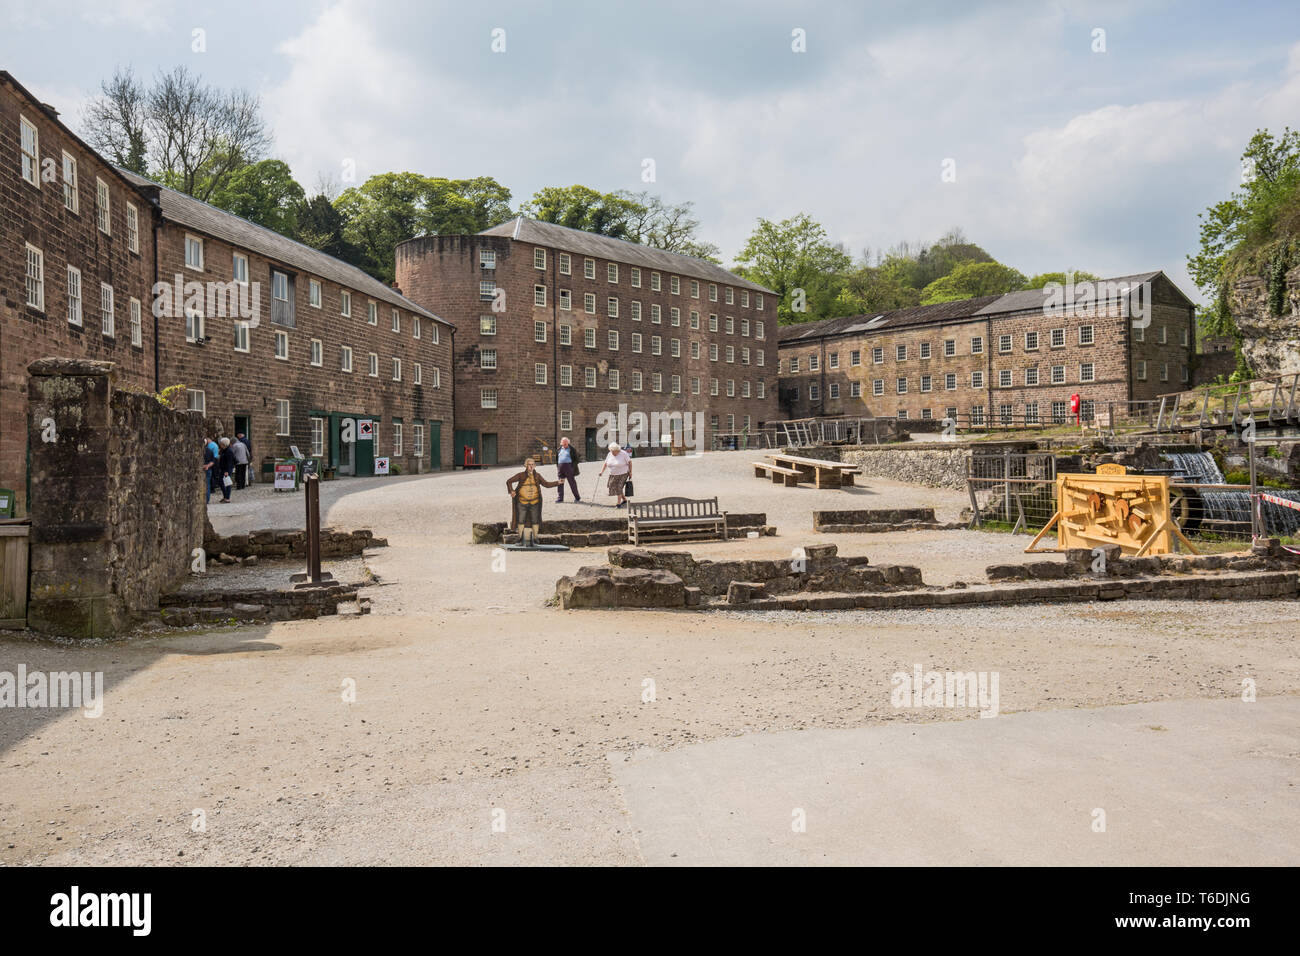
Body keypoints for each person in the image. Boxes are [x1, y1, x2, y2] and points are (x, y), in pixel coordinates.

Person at [505, 457, 559, 547]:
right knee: (521, 520)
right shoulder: (521, 475)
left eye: (532, 464)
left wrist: (558, 482)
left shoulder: (537, 476)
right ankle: (519, 537)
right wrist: (512, 491)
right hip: (522, 501)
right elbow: (509, 481)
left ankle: (535, 537)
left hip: (535, 502)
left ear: (534, 466)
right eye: (529, 465)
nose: (531, 466)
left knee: (535, 520)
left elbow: (546, 484)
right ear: (526, 465)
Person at [599, 442, 633, 508]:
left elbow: (630, 462)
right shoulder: (609, 454)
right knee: (613, 487)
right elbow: (606, 463)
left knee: (619, 487)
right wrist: (601, 472)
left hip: (623, 474)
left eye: (613, 451)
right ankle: (624, 499)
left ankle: (618, 503)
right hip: (613, 475)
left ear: (617, 450)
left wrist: (630, 472)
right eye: (611, 451)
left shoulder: (623, 453)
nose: (612, 453)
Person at [555, 436, 581, 503]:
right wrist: (558, 467)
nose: (564, 444)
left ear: (568, 443)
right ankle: (560, 498)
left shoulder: (572, 449)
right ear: (561, 443)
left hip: (569, 467)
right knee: (560, 483)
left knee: (572, 483)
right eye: (563, 443)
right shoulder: (559, 449)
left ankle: (577, 497)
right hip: (560, 468)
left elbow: (577, 459)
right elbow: (557, 459)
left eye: (565, 443)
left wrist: (572, 467)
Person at [216, 437, 236, 504]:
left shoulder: (229, 451)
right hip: (223, 469)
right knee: (221, 482)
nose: (220, 445)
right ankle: (225, 496)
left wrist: (227, 471)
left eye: (221, 444)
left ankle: (227, 498)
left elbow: (229, 462)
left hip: (227, 469)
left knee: (227, 483)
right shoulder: (223, 450)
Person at [202, 435, 217, 505]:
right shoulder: (209, 451)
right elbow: (213, 461)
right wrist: (208, 466)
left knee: (206, 484)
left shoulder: (202, 451)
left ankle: (205, 499)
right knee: (207, 484)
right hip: (208, 469)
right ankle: (207, 500)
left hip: (204, 469)